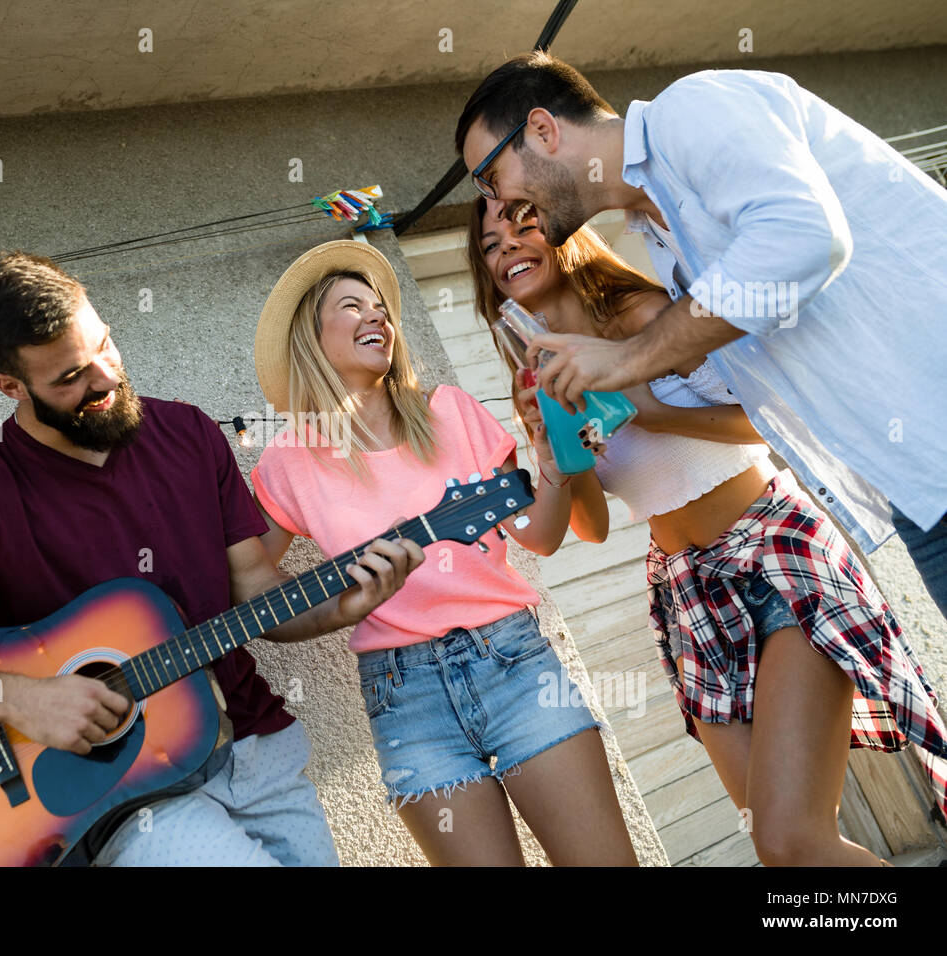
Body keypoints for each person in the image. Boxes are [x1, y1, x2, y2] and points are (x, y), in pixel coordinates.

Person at [0, 250, 425, 867]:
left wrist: (347, 604)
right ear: (11, 386)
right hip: (129, 796)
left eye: (105, 347)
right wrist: (20, 700)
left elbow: (254, 589)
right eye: (70, 379)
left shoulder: (191, 435)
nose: (106, 378)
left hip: (253, 747)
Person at [467, 196, 947, 865]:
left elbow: (773, 420)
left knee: (793, 839)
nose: (509, 247)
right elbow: (593, 524)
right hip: (686, 591)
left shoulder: (640, 316)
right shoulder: (541, 377)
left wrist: (651, 408)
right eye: (490, 244)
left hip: (771, 555)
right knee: (779, 846)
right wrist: (551, 445)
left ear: (562, 232)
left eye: (523, 226)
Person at [453, 51, 947, 623]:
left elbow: (805, 237)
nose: (496, 204)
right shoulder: (666, 239)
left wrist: (629, 361)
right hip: (915, 481)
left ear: (541, 131)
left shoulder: (691, 110)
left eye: (491, 175)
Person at [248, 239, 637, 866]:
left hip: (513, 662)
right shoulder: (286, 462)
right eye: (353, 307)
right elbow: (248, 590)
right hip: (403, 694)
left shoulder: (450, 410)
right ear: (311, 339)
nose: (379, 316)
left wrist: (551, 464)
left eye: (382, 308)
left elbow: (538, 535)